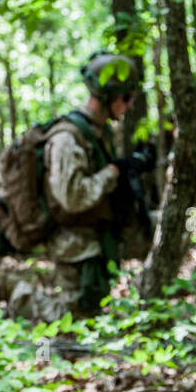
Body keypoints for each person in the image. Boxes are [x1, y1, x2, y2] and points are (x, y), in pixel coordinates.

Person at [44, 51, 147, 317]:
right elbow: (72, 197)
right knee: (71, 318)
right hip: (75, 247)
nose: (130, 105)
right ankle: (4, 286)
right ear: (106, 96)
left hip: (100, 239)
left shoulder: (102, 133)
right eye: (126, 97)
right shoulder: (68, 137)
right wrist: (111, 174)